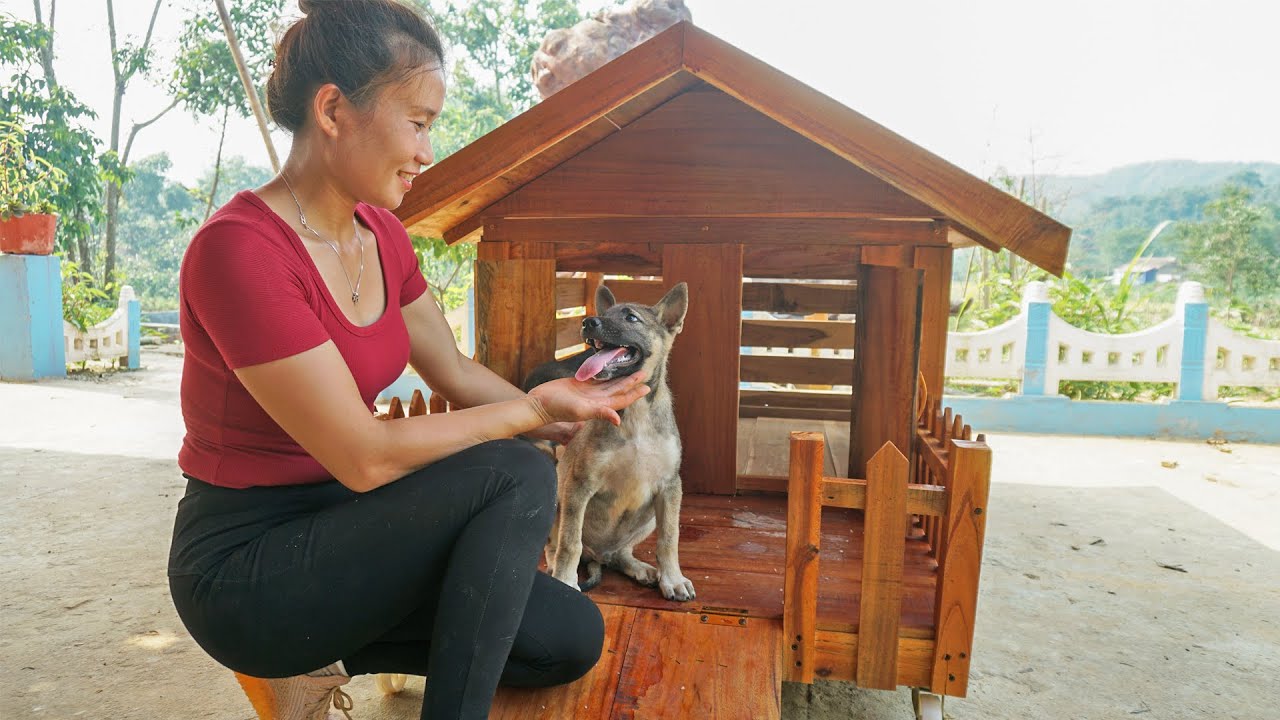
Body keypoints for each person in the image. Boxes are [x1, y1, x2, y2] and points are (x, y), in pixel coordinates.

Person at [165, 2, 651, 718]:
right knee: (511, 472)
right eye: (418, 122)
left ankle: (323, 653)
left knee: (567, 635)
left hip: (347, 534)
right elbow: (363, 457)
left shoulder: (382, 236)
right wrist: (524, 419)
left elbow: (452, 373)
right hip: (249, 568)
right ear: (334, 110)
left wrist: (565, 419)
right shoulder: (239, 252)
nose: (427, 151)